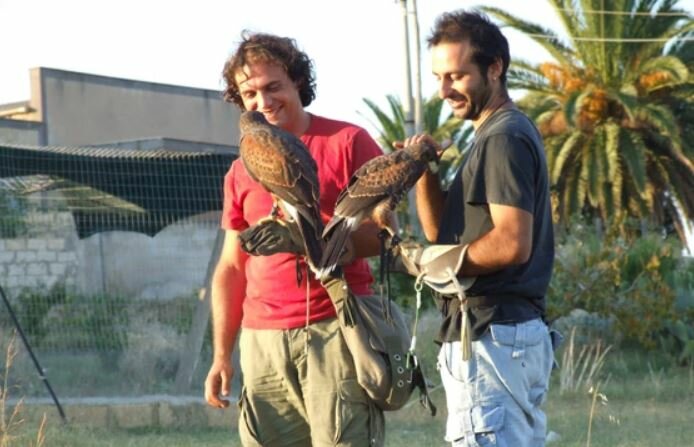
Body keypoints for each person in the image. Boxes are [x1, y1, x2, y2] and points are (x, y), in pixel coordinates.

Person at [203, 31, 386, 447]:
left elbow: (383, 234)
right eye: (250, 93)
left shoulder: (347, 141)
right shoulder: (240, 169)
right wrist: (221, 356)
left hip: (334, 328)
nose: (263, 101)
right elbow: (231, 267)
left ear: (298, 82)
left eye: (273, 87)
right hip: (262, 341)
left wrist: (320, 245)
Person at [399, 10, 556, 447]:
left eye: (457, 76)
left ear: (494, 68)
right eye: (439, 78)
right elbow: (441, 232)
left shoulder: (503, 137)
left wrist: (431, 265)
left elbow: (511, 243)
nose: (444, 90)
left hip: (492, 336)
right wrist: (425, 170)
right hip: (497, 335)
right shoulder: (489, 136)